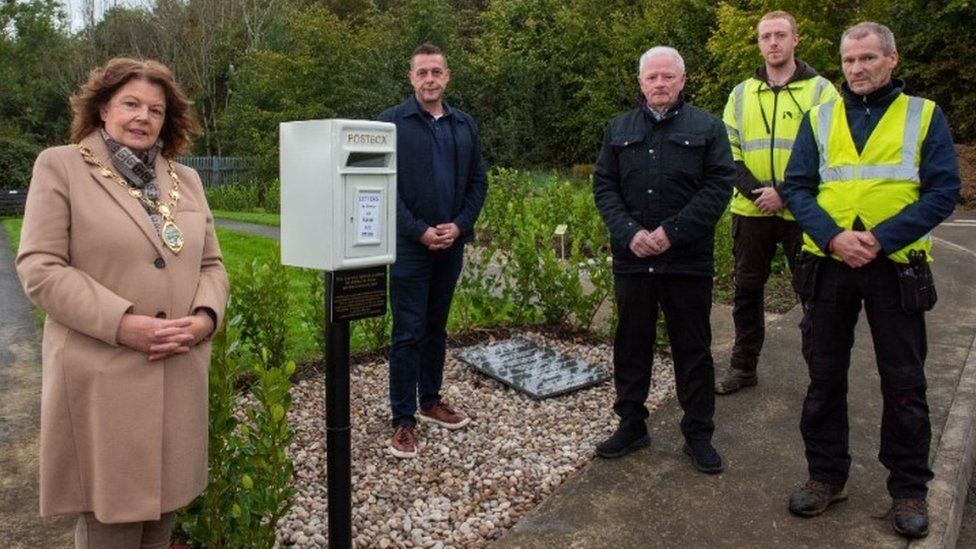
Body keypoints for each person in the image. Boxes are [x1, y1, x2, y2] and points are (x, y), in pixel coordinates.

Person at [15, 57, 229, 548]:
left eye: (156, 109)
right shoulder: (62, 166)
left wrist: (203, 319)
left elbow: (212, 265)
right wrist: (122, 323)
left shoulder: (186, 181)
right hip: (102, 376)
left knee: (163, 518)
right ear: (103, 108)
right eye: (130, 103)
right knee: (110, 524)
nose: (143, 117)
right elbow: (40, 267)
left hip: (177, 371)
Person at [781, 22, 959, 538]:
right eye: (850, 61)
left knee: (904, 382)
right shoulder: (819, 117)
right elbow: (797, 189)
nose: (857, 69)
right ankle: (825, 476)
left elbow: (943, 192)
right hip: (830, 263)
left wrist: (879, 238)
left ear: (892, 60)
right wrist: (835, 237)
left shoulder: (924, 115)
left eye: (868, 59)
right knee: (824, 375)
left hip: (894, 267)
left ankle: (907, 487)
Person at [592, 46, 734, 473]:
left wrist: (671, 233)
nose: (660, 84)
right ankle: (632, 425)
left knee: (693, 349)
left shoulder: (708, 128)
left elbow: (718, 187)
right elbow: (605, 187)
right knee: (631, 344)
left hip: (686, 261)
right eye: (652, 77)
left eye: (668, 77)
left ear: (683, 80)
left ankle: (698, 435)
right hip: (633, 259)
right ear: (640, 82)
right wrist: (630, 233)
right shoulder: (618, 129)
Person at [716, 10, 839, 395]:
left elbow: (832, 150)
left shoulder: (822, 91)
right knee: (746, 292)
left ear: (795, 40)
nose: (773, 42)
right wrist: (759, 193)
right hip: (751, 212)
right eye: (766, 36)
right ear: (759, 42)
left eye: (780, 35)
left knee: (811, 294)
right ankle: (743, 367)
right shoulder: (741, 93)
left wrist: (785, 192)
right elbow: (727, 151)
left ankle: (820, 375)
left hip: (802, 211)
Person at [378, 43, 487, 459]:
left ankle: (430, 401)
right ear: (411, 78)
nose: (429, 79)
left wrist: (458, 226)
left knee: (436, 327)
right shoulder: (391, 123)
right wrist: (419, 231)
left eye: (436, 72)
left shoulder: (464, 125)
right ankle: (403, 419)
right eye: (421, 72)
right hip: (411, 247)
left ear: (447, 76)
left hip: (451, 245)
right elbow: (381, 187)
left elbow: (479, 182)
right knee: (407, 332)